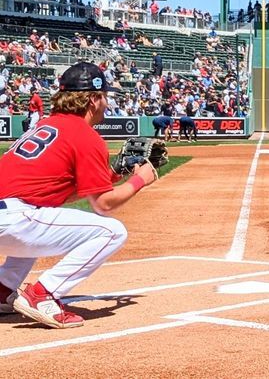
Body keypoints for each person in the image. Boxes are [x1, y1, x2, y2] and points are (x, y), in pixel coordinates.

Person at [0, 62, 157, 328]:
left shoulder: (43, 127)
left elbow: (52, 192)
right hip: (14, 220)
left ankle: (3, 289)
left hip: (12, 216)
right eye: (105, 97)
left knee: (43, 219)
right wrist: (140, 180)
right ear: (93, 99)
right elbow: (103, 205)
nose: (107, 104)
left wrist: (116, 174)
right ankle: (43, 294)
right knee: (112, 231)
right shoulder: (86, 135)